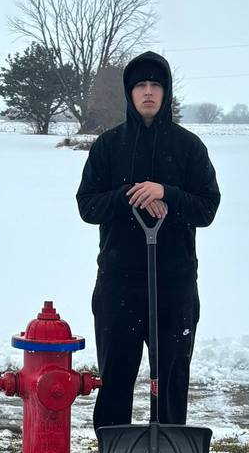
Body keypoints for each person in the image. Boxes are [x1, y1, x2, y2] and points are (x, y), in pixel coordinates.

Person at [76, 51, 220, 430]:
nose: (148, 92)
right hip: (118, 280)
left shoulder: (189, 148)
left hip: (174, 281)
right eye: (140, 85)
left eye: (156, 84)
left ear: (166, 91)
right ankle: (114, 450)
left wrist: (167, 193)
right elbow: (87, 206)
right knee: (115, 374)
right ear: (129, 92)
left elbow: (207, 209)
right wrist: (131, 195)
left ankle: (171, 447)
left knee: (171, 374)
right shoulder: (108, 147)